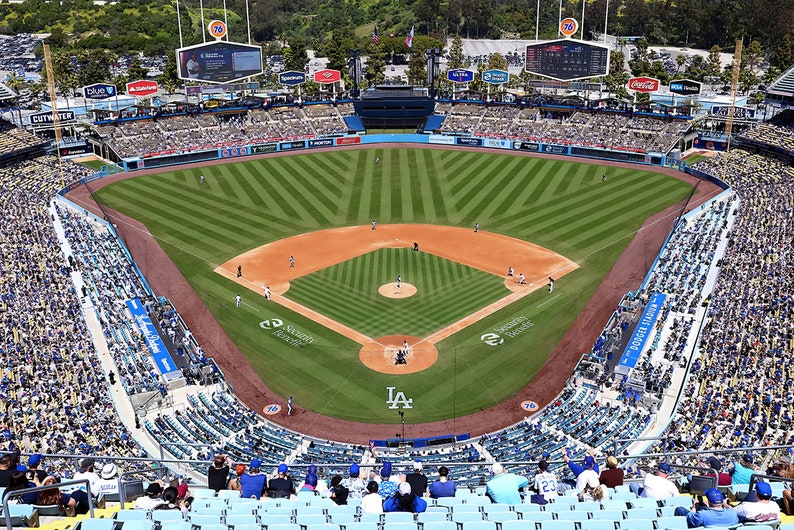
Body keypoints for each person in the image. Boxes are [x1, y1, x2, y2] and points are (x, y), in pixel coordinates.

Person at [673, 488, 739, 528]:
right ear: (722, 502)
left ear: (709, 502)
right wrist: (726, 505)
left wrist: (694, 507)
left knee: (680, 510)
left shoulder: (702, 515)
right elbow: (732, 510)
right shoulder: (733, 514)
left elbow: (691, 520)